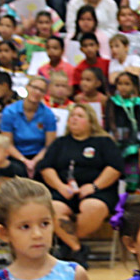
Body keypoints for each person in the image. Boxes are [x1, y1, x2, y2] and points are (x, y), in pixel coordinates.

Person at [39, 102, 121, 252]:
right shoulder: (60, 143)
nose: (74, 119)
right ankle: (76, 248)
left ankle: (66, 243)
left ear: (91, 121)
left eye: (80, 116)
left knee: (92, 207)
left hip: (98, 191)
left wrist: (94, 186)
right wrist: (60, 186)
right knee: (52, 208)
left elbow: (115, 168)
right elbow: (46, 168)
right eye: (72, 116)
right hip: (64, 191)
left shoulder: (104, 142)